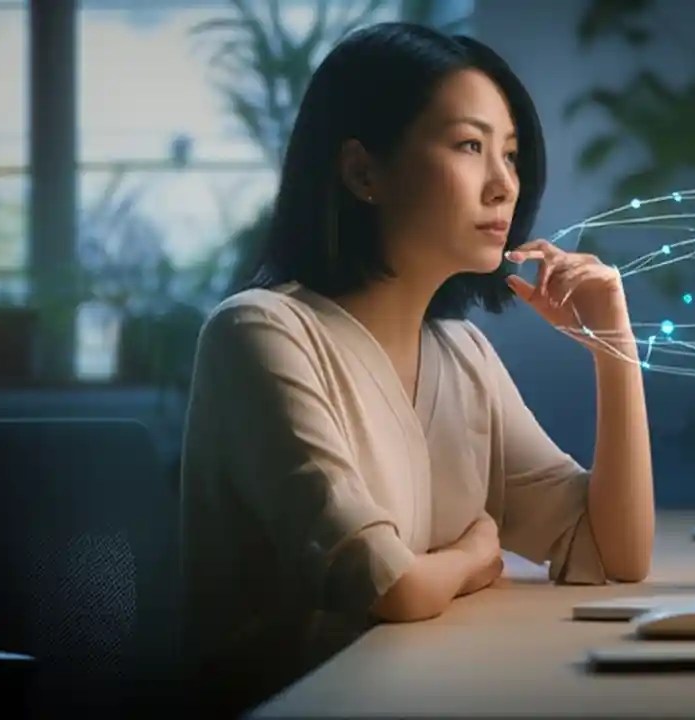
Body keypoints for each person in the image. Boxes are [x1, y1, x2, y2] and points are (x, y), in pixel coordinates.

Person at [179, 21, 654, 715]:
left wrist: (615, 343)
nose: (503, 186)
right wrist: (475, 555)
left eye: (511, 155)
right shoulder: (259, 333)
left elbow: (617, 555)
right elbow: (385, 586)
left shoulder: (462, 355)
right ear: (363, 171)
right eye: (469, 146)